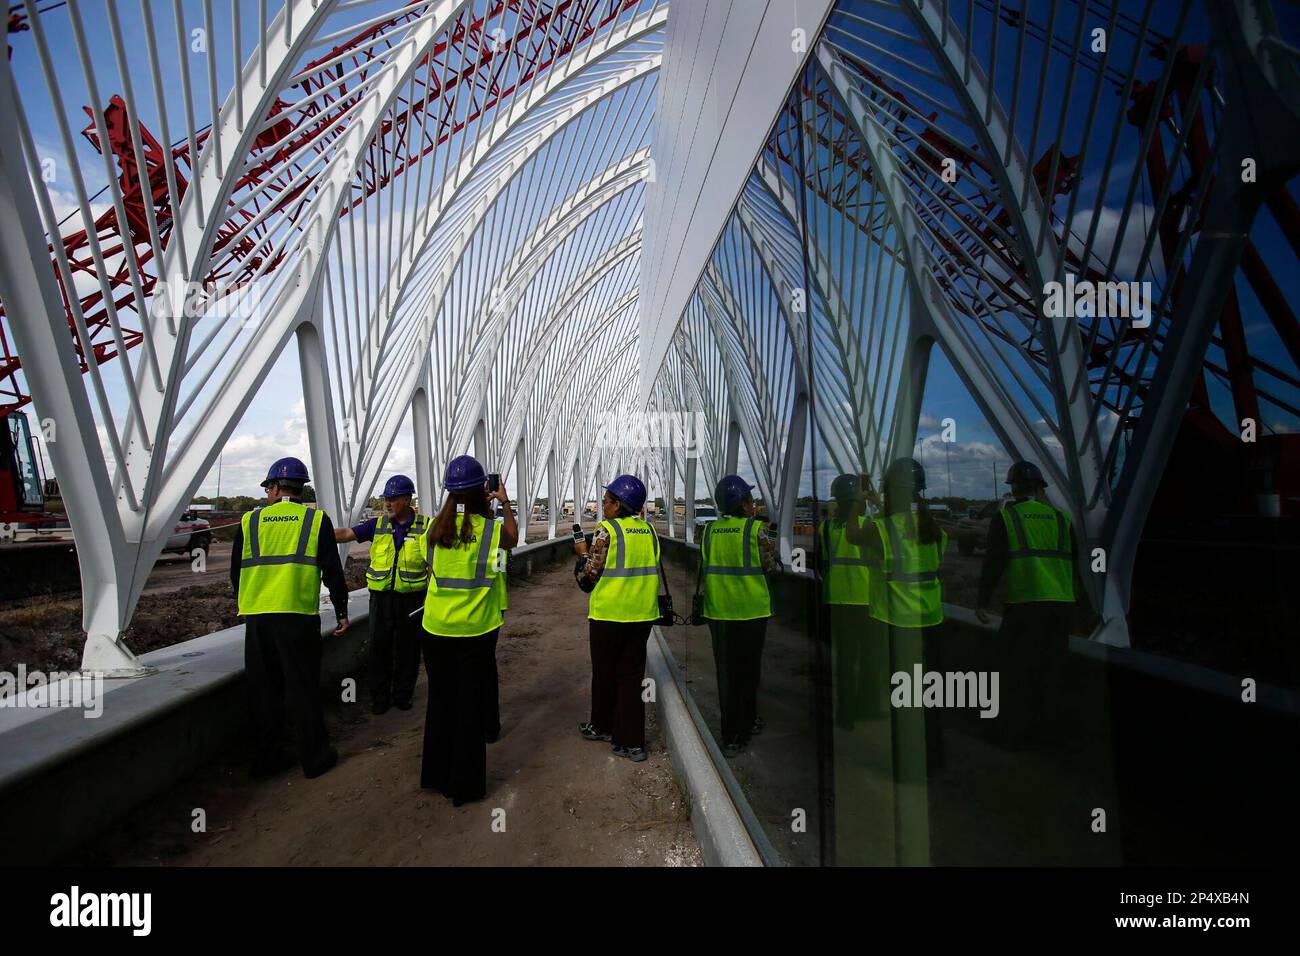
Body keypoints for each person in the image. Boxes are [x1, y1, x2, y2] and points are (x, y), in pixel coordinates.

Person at [848, 456, 946, 864]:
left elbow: (855, 535)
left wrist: (858, 501)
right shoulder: (933, 529)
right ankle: (933, 760)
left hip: (895, 624)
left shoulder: (881, 530)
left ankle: (907, 768)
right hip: (932, 623)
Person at [231, 457, 350, 780]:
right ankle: (315, 759)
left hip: (258, 618)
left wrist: (252, 600)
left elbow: (235, 574)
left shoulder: (249, 522)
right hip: (297, 617)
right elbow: (332, 572)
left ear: (273, 487)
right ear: (301, 488)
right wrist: (341, 612)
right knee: (303, 688)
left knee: (263, 689)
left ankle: (265, 760)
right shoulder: (315, 521)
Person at [419, 455, 517, 806]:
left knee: (441, 702)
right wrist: (503, 502)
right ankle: (463, 786)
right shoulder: (491, 532)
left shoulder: (432, 529)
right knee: (470, 707)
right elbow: (512, 540)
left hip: (435, 629)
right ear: (482, 491)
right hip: (476, 631)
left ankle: (435, 773)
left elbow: (428, 566)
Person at [976, 460, 1079, 748]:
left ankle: (1011, 735)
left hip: (1025, 605)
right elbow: (1076, 563)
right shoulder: (1062, 518)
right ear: (1040, 487)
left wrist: (983, 601)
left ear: (1013, 488)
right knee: (1051, 672)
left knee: (1013, 673)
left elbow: (993, 563)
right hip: (1061, 606)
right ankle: (1047, 737)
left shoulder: (1008, 518)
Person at [574, 474, 660, 762]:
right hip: (642, 615)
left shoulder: (605, 531)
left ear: (618, 505)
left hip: (608, 615)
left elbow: (589, 578)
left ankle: (601, 726)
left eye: (607, 501)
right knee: (631, 677)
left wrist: (582, 556)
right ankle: (631, 743)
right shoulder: (649, 531)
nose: (603, 505)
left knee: (604, 673)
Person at [698, 475, 778, 757]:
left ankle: (731, 735)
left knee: (727, 673)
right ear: (742, 504)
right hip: (752, 612)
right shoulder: (755, 531)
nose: (753, 504)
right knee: (749, 671)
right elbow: (771, 568)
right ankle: (748, 722)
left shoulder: (707, 532)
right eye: (750, 499)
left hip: (719, 612)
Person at [335, 474, 428, 714]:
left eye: (393, 499)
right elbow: (345, 534)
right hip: (381, 599)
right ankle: (380, 697)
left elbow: (437, 560)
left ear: (408, 499)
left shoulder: (425, 526)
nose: (387, 504)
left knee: (408, 649)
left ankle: (403, 695)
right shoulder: (377, 525)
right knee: (380, 648)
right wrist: (314, 530)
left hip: (412, 599)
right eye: (386, 499)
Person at [822, 473, 879, 731]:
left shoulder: (826, 528)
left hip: (836, 598)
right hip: (866, 597)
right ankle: (868, 707)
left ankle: (846, 715)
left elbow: (823, 563)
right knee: (870, 657)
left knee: (845, 660)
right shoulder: (868, 525)